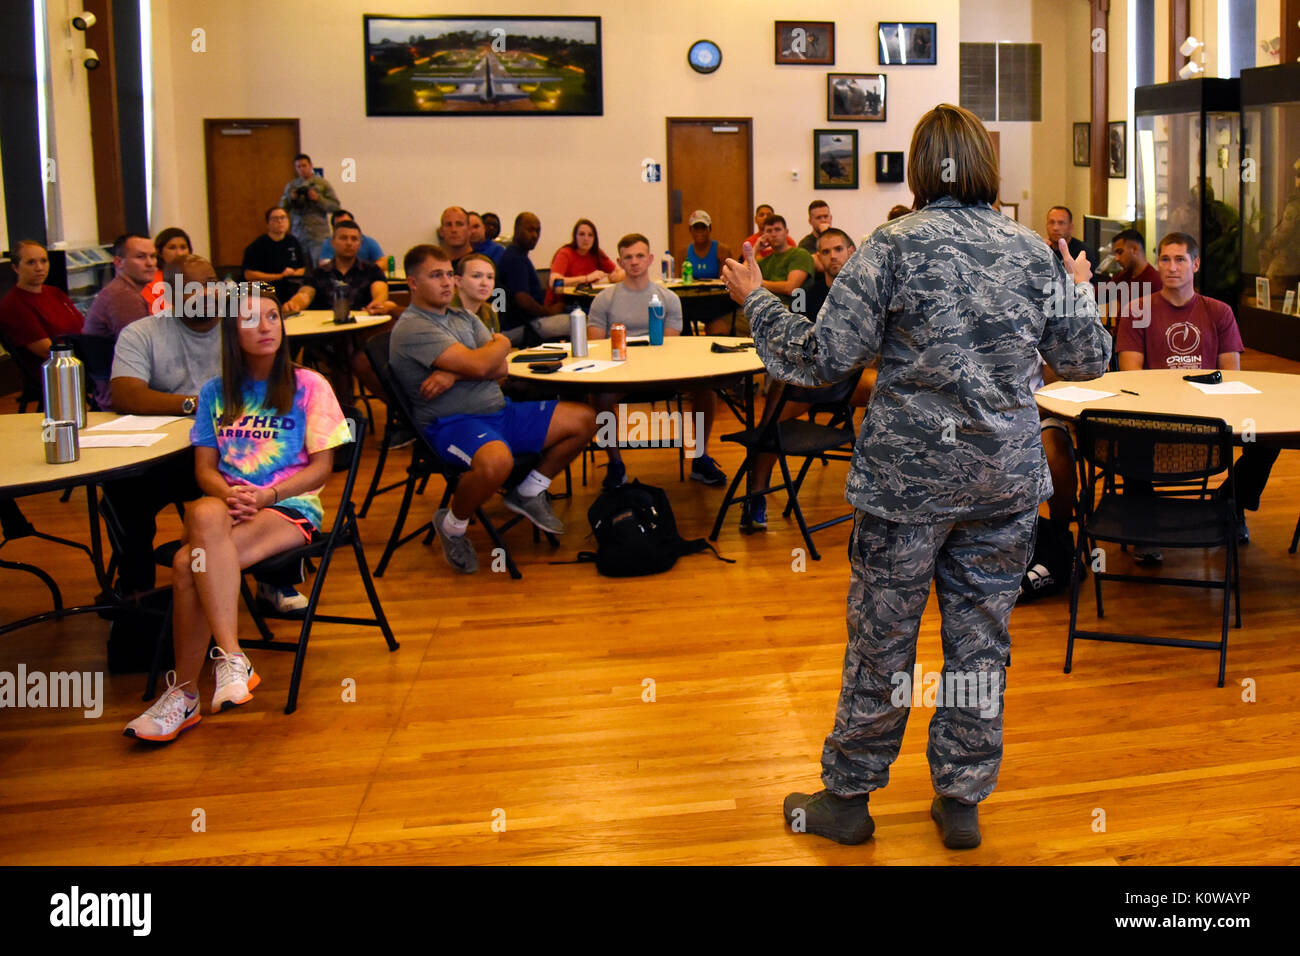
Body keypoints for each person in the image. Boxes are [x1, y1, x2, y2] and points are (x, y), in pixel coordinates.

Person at [724, 103, 1109, 850]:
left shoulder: (891, 246)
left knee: (882, 639)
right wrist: (1079, 286)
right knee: (980, 640)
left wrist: (757, 304)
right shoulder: (1034, 252)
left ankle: (849, 797)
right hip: (1002, 483)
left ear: (919, 165)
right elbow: (1089, 361)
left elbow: (820, 359)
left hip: (907, 486)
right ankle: (961, 799)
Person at [124, 285, 351, 743]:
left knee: (188, 563)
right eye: (251, 319)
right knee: (205, 512)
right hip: (229, 507)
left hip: (288, 506)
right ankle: (231, 656)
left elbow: (322, 467)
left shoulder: (309, 385)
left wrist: (266, 495)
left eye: (273, 317)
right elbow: (205, 469)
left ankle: (183, 695)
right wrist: (233, 495)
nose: (265, 327)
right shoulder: (214, 393)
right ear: (232, 331)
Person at [388, 244, 596, 574]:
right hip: (451, 424)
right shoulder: (414, 326)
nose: (446, 283)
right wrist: (495, 347)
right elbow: (487, 363)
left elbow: (500, 370)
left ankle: (527, 492)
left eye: (448, 274)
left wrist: (461, 368)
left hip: (500, 411)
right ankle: (453, 525)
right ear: (412, 283)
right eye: (435, 275)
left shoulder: (463, 316)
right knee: (498, 461)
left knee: (585, 419)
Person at [1117, 231, 1277, 549]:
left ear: (1196, 264)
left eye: (1180, 259)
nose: (1172, 267)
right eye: (1165, 259)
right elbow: (1130, 376)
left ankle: (1231, 504)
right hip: (1155, 414)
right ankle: (1143, 526)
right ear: (1157, 263)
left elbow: (1231, 375)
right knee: (1127, 435)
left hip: (1211, 414)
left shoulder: (1219, 311)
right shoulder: (1137, 310)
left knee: (1268, 440)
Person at [743, 227, 874, 533]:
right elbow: (795, 345)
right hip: (816, 378)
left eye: (838, 249)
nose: (833, 257)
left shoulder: (867, 291)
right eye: (825, 252)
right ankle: (757, 494)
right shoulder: (808, 294)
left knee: (897, 393)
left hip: (857, 377)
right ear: (819, 258)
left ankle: (886, 490)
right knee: (771, 421)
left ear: (851, 251)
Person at [586, 233, 727, 488]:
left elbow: (669, 345)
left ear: (650, 259)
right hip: (620, 373)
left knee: (706, 389)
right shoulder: (604, 299)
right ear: (619, 261)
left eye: (640, 256)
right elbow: (595, 346)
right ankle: (616, 464)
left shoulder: (668, 298)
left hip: (664, 372)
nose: (635, 262)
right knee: (599, 396)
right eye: (628, 257)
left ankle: (700, 456)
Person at [0, 239, 85, 381]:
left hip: (79, 358)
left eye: (44, 261)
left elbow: (84, 326)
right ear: (16, 268)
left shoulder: (55, 292)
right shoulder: (14, 304)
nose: (39, 267)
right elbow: (48, 351)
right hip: (56, 371)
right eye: (31, 262)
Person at [497, 212, 567, 344]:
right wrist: (549, 311)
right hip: (522, 327)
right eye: (529, 230)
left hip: (526, 323)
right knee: (578, 322)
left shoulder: (518, 256)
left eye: (537, 230)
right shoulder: (515, 259)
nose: (534, 235)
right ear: (517, 230)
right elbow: (523, 301)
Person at [83, 234, 155, 339]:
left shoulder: (121, 289)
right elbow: (141, 346)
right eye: (140, 257)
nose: (150, 263)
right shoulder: (123, 295)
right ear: (119, 262)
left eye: (153, 256)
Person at [678, 210, 736, 335]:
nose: (700, 232)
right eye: (696, 228)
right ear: (690, 230)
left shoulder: (722, 250)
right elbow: (680, 281)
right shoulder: (683, 252)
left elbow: (725, 280)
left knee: (718, 327)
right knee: (679, 315)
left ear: (709, 229)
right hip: (691, 300)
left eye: (703, 228)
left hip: (716, 300)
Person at [279, 153, 340, 265]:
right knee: (300, 266)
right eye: (298, 166)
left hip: (318, 234)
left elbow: (335, 207)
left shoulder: (322, 184)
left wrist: (318, 199)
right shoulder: (292, 186)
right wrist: (291, 199)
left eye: (304, 165)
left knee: (320, 267)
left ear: (311, 165)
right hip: (298, 233)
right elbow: (281, 209)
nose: (302, 169)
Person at [546, 219, 624, 306]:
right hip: (563, 304)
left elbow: (620, 271)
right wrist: (586, 278)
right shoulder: (565, 253)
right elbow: (554, 283)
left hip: (587, 301)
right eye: (581, 234)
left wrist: (616, 276)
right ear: (575, 236)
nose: (586, 239)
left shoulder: (596, 253)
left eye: (590, 235)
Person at [242, 207, 308, 305]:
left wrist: (293, 274)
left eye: (283, 218)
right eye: (275, 219)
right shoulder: (257, 245)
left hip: (290, 290)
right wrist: (280, 276)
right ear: (268, 224)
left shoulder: (293, 241)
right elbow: (249, 274)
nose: (280, 221)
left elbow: (301, 267)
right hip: (266, 292)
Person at [1095, 227, 1161, 324]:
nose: (1116, 258)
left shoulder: (1154, 281)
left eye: (1120, 252)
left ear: (1135, 249)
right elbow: (1100, 294)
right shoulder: (1124, 276)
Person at [756, 215, 814, 307]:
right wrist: (755, 249)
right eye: (769, 231)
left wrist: (759, 283)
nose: (774, 234)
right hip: (765, 308)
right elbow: (742, 277)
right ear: (764, 235)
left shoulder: (800, 254)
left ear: (786, 232)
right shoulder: (765, 261)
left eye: (778, 229)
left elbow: (790, 288)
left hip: (792, 310)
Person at [146, 228, 193, 313]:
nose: (179, 253)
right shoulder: (151, 282)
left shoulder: (195, 278)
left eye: (183, 247)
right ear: (159, 252)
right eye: (172, 248)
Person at [452, 253, 500, 334]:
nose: (485, 283)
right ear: (458, 281)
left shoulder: (490, 312)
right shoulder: (444, 312)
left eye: (490, 277)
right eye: (476, 276)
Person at [319, 210, 384, 265]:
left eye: (348, 223)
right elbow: (324, 264)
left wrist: (367, 271)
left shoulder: (368, 241)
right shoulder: (328, 243)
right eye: (340, 225)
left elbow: (383, 261)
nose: (349, 243)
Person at [798, 200, 834, 270]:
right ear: (810, 221)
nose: (823, 220)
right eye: (818, 218)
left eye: (826, 216)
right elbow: (822, 266)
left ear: (831, 218)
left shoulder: (840, 238)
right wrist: (824, 234)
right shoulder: (805, 244)